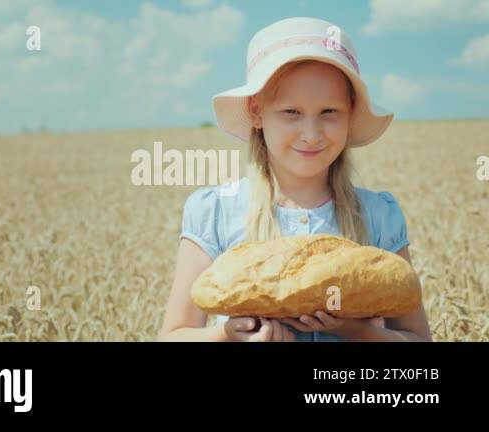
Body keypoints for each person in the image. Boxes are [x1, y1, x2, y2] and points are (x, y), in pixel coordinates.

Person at [157, 17, 432, 342]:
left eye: (329, 111)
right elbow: (172, 335)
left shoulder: (378, 216)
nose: (311, 134)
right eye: (291, 112)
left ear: (351, 111)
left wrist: (353, 330)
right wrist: (228, 335)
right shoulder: (214, 211)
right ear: (256, 111)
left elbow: (418, 339)